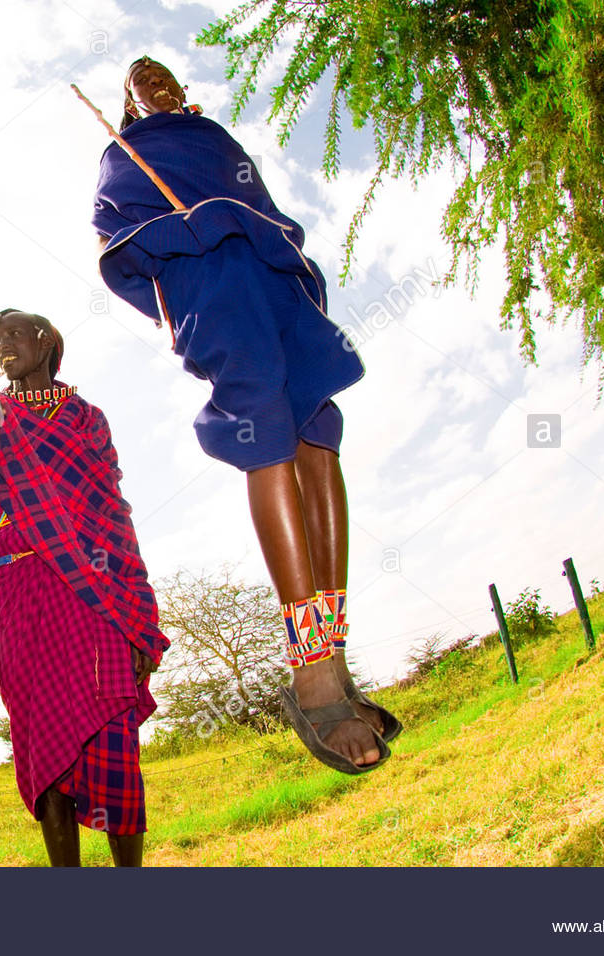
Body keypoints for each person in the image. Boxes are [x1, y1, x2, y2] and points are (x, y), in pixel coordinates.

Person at [90, 57, 402, 774]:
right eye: (142, 81)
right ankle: (311, 669)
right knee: (262, 420)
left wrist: (248, 224)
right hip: (210, 282)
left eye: (165, 76)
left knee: (317, 433)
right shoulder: (122, 152)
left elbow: (257, 201)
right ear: (128, 102)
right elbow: (115, 234)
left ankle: (338, 650)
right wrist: (183, 232)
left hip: (270, 271)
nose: (157, 85)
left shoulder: (214, 137)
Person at [0, 308, 168, 867]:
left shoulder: (87, 419)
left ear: (45, 342)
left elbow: (114, 516)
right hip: (21, 592)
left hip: (97, 598)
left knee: (116, 742)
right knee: (44, 743)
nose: (2, 346)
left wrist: (141, 619)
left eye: (13, 335)